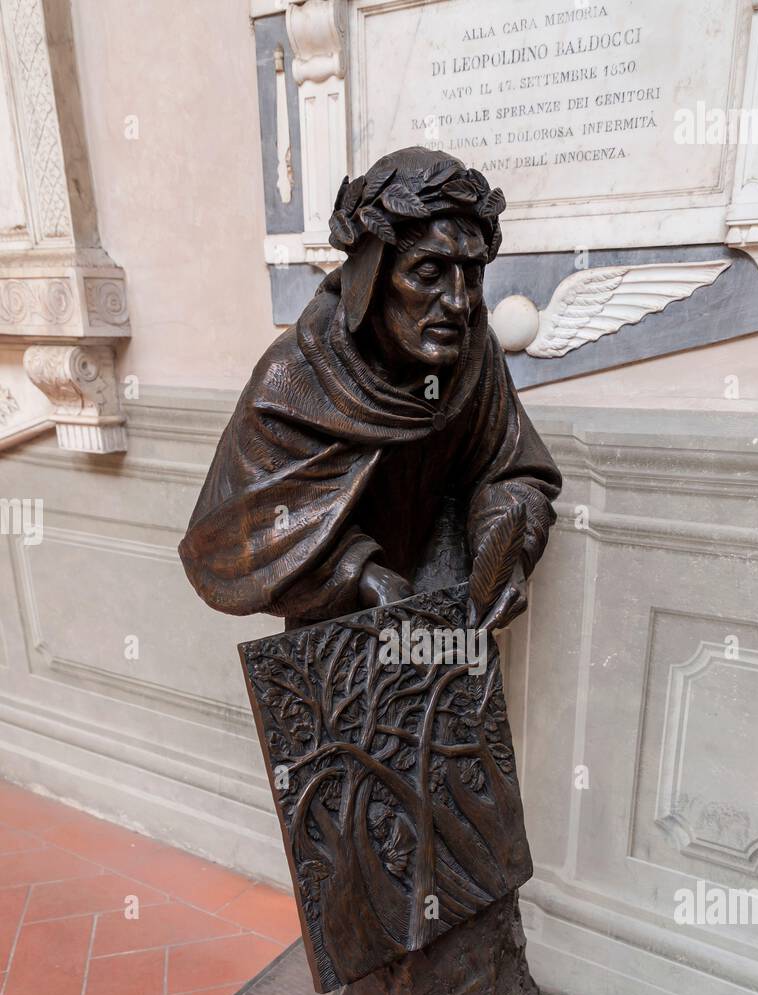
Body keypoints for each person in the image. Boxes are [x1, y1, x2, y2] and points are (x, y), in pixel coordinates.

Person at [179, 145, 561, 632]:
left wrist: (506, 550)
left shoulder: (473, 355)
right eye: (428, 272)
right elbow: (230, 538)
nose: (458, 302)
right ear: (373, 277)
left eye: (473, 274)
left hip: (445, 615)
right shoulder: (293, 375)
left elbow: (517, 473)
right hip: (338, 632)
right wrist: (357, 572)